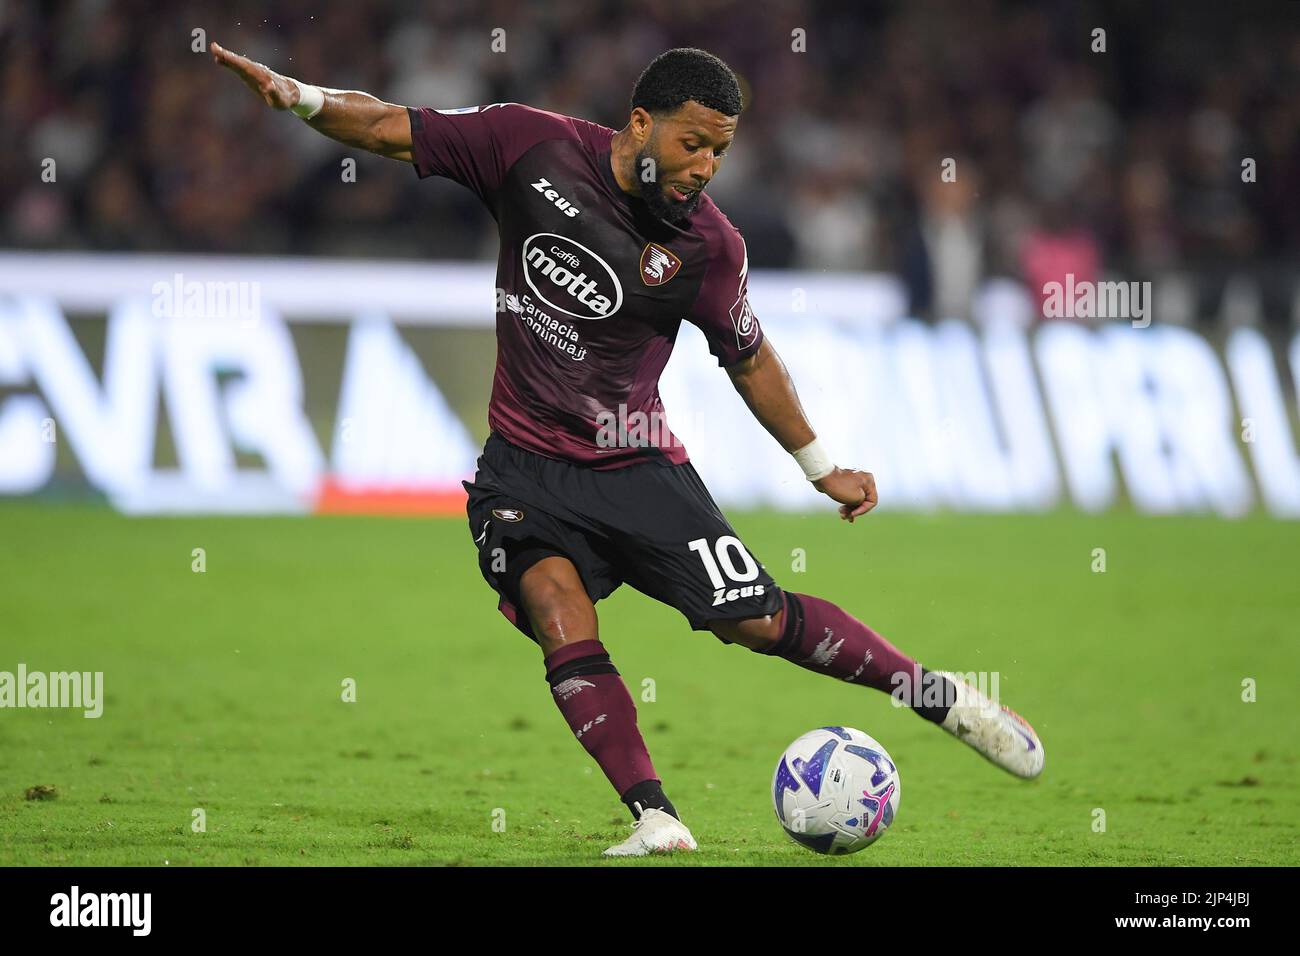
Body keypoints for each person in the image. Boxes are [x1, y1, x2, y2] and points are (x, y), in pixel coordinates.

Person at [212, 43, 1044, 857]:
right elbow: (394, 128)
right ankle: (657, 817)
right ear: (639, 123)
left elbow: (749, 358)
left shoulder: (707, 249)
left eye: (720, 150)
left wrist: (821, 466)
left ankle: (935, 696)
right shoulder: (526, 145)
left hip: (638, 468)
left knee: (758, 622)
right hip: (523, 467)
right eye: (692, 143)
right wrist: (304, 99)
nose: (706, 166)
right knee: (554, 604)